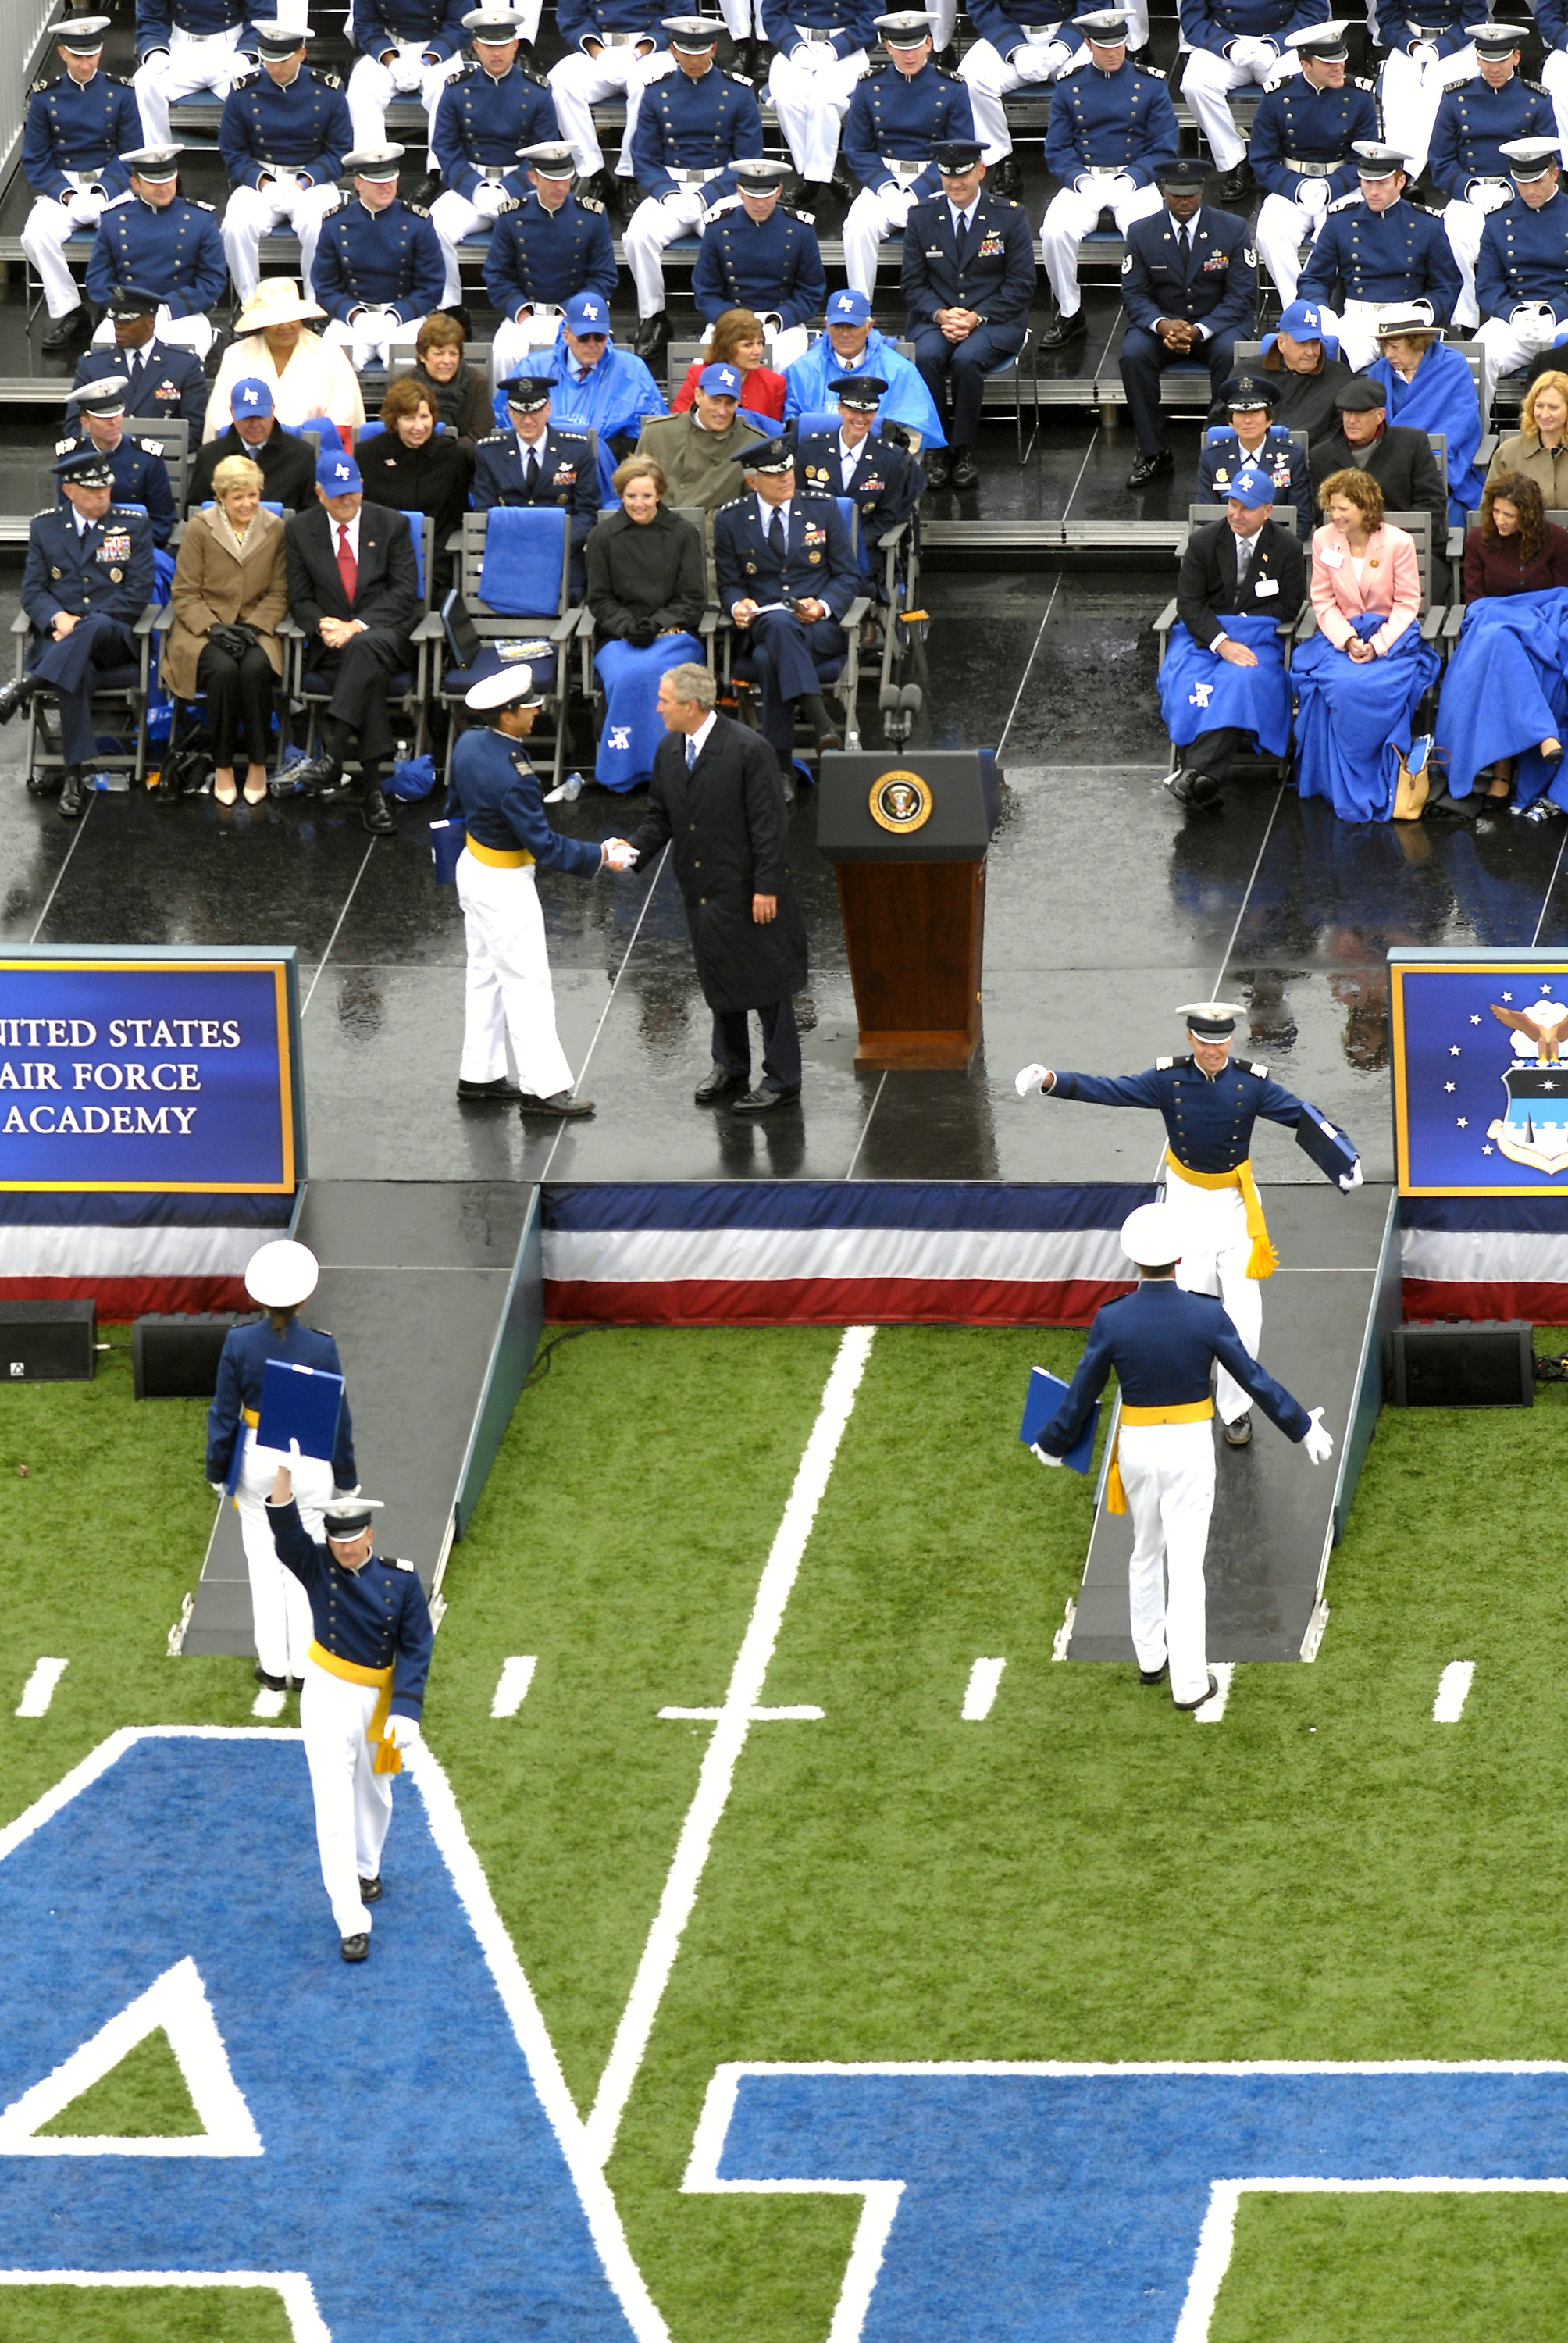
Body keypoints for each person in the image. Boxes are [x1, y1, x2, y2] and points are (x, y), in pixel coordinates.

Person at [1025, 1200, 1331, 1712]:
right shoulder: (1207, 1314)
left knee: (1145, 1551)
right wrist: (1300, 1427)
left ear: (1134, 1259)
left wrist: (1054, 1442)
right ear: (1181, 1258)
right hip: (1190, 1444)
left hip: (1138, 1446)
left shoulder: (1113, 1319)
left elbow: (1082, 1393)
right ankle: (1189, 1684)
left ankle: (1150, 1659)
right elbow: (1253, 1379)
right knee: (1187, 1567)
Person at [1014, 998, 1362, 1443]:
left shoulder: (1251, 1083)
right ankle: (1193, 1396)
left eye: (1220, 1042)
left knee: (1246, 1319)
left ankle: (1234, 1409)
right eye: (1203, 1042)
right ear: (1190, 1038)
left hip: (1236, 1209)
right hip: (1186, 1208)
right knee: (1191, 1312)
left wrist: (1344, 1158)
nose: (1212, 1051)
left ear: (1231, 1039)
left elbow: (1300, 1115)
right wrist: (1051, 1080)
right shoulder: (1168, 1080)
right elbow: (1111, 1090)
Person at [606, 660, 809, 1111]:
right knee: (720, 974)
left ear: (691, 705)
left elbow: (769, 826)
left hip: (748, 890)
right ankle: (730, 1065)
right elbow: (660, 816)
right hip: (702, 889)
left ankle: (782, 1078)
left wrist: (766, 888)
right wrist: (633, 850)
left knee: (769, 982)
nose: (658, 709)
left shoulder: (747, 750)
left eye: (664, 701)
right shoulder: (669, 751)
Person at [265, 1467, 433, 1963]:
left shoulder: (401, 1580)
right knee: (333, 1809)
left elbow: (417, 1645)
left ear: (370, 1536)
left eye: (352, 1539)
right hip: (326, 1694)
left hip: (376, 1699)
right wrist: (284, 1471)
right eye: (336, 1540)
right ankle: (351, 1918)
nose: (343, 1548)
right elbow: (286, 1530)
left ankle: (367, 1866)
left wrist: (407, 1707)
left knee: (375, 1794)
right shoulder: (316, 1566)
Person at [446, 664, 617, 1115]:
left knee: (484, 976)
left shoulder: (467, 743)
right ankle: (543, 1089)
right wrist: (600, 855)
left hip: (472, 867)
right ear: (506, 716)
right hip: (504, 885)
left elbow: (454, 807)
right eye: (529, 707)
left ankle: (479, 1076)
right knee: (528, 985)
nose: (537, 711)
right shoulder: (516, 778)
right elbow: (545, 847)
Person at [205, 1238, 355, 1693]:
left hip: (255, 1463)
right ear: (304, 1297)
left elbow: (223, 1412)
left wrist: (217, 1470)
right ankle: (309, 1669)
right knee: (307, 1564)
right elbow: (336, 1419)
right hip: (307, 1464)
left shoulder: (238, 1343)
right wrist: (347, 1478)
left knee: (263, 1564)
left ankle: (274, 1667)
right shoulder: (322, 1348)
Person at [0, 448, 154, 822]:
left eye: (107, 490)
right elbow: (34, 592)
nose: (104, 497)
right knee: (76, 675)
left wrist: (77, 625)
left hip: (113, 637)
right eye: (93, 493)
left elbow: (138, 593)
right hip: (63, 644)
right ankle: (74, 779)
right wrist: (55, 619)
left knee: (96, 626)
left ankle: (22, 687)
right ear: (69, 491)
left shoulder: (132, 525)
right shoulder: (45, 527)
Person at [284, 448, 420, 836]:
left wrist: (356, 626)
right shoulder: (299, 530)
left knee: (363, 651)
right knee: (366, 676)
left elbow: (404, 592)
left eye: (353, 489)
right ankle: (373, 793)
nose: (347, 499)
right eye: (338, 491)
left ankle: (334, 754)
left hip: (386, 636)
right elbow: (299, 598)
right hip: (333, 646)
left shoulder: (390, 524)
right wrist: (326, 625)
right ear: (319, 492)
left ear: (362, 485)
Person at [1294, 465, 1441, 822]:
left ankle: (1384, 776)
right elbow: (1323, 600)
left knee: (1377, 686)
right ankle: (1344, 782)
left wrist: (1376, 645)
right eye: (1332, 507)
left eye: (1344, 508)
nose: (1336, 515)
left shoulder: (1398, 542)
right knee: (1340, 686)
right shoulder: (1323, 539)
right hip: (1341, 635)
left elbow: (1408, 603)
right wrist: (1346, 640)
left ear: (1365, 507)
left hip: (1390, 636)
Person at [1160, 462, 1306, 808]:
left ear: (1268, 511)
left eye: (1246, 508)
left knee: (1242, 680)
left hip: (1259, 638)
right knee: (1188, 680)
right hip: (1205, 635)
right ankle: (1201, 777)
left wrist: (1244, 627)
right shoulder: (1203, 542)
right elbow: (1190, 604)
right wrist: (1222, 642)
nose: (1236, 514)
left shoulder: (1286, 547)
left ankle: (1194, 773)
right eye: (1232, 505)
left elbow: (1289, 604)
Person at [623, 16, 764, 361]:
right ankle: (653, 316)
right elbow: (643, 157)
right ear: (673, 50)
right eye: (687, 51)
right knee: (636, 237)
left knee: (731, 235)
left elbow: (748, 158)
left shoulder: (737, 91)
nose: (695, 59)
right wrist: (669, 193)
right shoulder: (657, 92)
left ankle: (730, 317)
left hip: (719, 187)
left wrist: (706, 195)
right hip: (671, 187)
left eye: (702, 51)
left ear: (714, 48)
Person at [1037, 9, 1178, 353]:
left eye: (1119, 44)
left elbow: (1164, 146)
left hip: (1134, 180)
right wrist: (1079, 179)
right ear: (1088, 44)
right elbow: (1057, 148)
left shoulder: (1150, 84)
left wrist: (1132, 179)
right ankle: (1069, 312)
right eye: (1104, 46)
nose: (1113, 52)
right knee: (1054, 232)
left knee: (1149, 233)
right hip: (1085, 178)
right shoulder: (1070, 86)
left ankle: (1150, 312)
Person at [900, 138, 1034, 493]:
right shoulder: (921, 216)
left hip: (995, 320)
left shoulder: (1010, 215)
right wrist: (942, 314)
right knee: (925, 356)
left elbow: (1021, 284)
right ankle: (936, 447)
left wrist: (977, 317)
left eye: (963, 175)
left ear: (980, 171)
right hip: (937, 318)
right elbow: (913, 284)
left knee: (967, 359)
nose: (955, 184)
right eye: (947, 175)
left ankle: (963, 448)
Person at [713, 436, 861, 756]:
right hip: (763, 623)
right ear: (753, 481)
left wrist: (822, 607)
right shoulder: (730, 520)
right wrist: (739, 605)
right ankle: (823, 726)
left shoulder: (822, 509)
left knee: (768, 658)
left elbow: (848, 575)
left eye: (789, 469)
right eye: (774, 473)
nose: (786, 477)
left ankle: (780, 766)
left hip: (818, 631)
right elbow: (729, 584)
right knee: (778, 624)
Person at [1119, 155, 1255, 492]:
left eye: (1191, 194)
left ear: (1202, 190)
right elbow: (1134, 294)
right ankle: (1153, 451)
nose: (1184, 202)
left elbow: (1241, 296)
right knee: (1133, 355)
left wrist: (1199, 330)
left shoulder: (1233, 229)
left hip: (1216, 325)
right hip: (1163, 327)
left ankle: (1225, 447)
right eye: (1177, 194)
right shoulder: (1141, 232)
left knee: (1231, 353)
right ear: (1163, 190)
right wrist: (1162, 325)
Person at [1438, 470, 1568, 811]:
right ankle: (1541, 736)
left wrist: (1523, 620)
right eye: (1495, 512)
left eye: (1509, 515)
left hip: (1540, 631)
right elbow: (1476, 603)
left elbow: (1560, 599)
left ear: (1528, 515)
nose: (1500, 520)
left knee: (1510, 646)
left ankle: (1503, 769)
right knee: (1501, 638)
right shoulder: (1478, 540)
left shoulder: (1556, 540)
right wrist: (1509, 619)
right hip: (1488, 630)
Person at [166, 452, 288, 804]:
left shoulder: (275, 528)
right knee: (222, 671)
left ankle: (257, 764)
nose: (247, 503)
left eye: (253, 495)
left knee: (253, 669)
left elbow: (280, 592)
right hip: (204, 630)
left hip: (255, 628)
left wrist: (256, 626)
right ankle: (221, 765)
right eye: (238, 497)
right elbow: (185, 592)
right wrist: (212, 627)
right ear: (221, 498)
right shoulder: (199, 529)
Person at [22, 15, 144, 355]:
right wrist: (69, 195)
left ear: (101, 50)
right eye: (78, 56)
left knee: (131, 230)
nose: (86, 62)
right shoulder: (46, 98)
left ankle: (115, 306)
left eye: (91, 54)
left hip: (109, 184)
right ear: (62, 54)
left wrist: (105, 191)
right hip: (64, 188)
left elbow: (132, 152)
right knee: (35, 235)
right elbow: (36, 160)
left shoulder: (121, 93)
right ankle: (71, 313)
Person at [586, 456, 707, 788]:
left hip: (673, 634)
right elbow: (597, 598)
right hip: (620, 637)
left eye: (646, 496)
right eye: (630, 496)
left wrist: (657, 623)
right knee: (627, 677)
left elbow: (694, 597)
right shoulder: (602, 537)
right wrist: (627, 625)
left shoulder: (682, 533)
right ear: (621, 496)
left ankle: (670, 769)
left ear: (660, 495)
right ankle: (624, 770)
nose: (638, 504)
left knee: (662, 679)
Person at [839, 12, 976, 302]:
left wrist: (917, 192)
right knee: (857, 226)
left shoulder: (952, 87)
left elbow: (958, 149)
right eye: (901, 48)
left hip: (937, 180)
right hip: (884, 179)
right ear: (887, 47)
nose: (909, 55)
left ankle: (950, 307)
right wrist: (887, 189)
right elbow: (857, 148)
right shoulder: (869, 86)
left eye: (915, 46)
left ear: (928, 44)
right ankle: (860, 310)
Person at [432, 9, 561, 304]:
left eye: (503, 45)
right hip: (472, 185)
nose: (497, 53)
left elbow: (543, 153)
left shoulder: (536, 90)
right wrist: (475, 188)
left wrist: (509, 189)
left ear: (515, 45)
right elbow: (445, 148)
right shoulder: (457, 88)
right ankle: (450, 309)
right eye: (489, 46)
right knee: (435, 227)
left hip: (522, 186)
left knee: (548, 232)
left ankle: (535, 308)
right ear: (476, 46)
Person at [1428, 21, 1552, 330]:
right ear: (1478, 59)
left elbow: (1551, 159)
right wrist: (1469, 189)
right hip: (1471, 192)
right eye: (1488, 60)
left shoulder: (1535, 100)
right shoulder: (1456, 97)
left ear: (1516, 57)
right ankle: (1465, 322)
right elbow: (1440, 160)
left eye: (1501, 60)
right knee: (1452, 236)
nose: (1494, 68)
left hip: (1521, 192)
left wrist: (1512, 188)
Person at [1296, 140, 1463, 367]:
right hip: (1357, 319)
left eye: (1382, 183)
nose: (1373, 192)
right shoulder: (1341, 221)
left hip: (1407, 320)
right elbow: (1313, 278)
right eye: (1367, 182)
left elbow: (1448, 284)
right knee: (1333, 365)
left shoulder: (1426, 224)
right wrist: (1322, 311)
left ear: (1400, 181)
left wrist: (1425, 310)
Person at [218, 24, 352, 305]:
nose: (274, 67)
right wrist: (264, 183)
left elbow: (339, 150)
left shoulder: (327, 90)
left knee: (320, 225)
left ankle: (317, 305)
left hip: (311, 180)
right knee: (235, 226)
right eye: (268, 59)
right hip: (261, 179)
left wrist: (303, 182)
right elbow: (233, 152)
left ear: (301, 54)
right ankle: (249, 304)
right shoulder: (244, 91)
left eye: (282, 60)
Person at [1249, 21, 1379, 307]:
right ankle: (1298, 308)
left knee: (1337, 237)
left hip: (1343, 185)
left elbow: (1366, 158)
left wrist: (1331, 187)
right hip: (1293, 185)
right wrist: (1298, 187)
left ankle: (1319, 306)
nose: (1338, 69)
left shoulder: (1359, 96)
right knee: (1270, 235)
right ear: (1304, 64)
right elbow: (1262, 160)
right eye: (1328, 64)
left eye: (1341, 61)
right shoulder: (1278, 96)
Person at [484, 140, 618, 382]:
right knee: (504, 353)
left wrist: (567, 312)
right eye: (552, 180)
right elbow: (496, 275)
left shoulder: (591, 216)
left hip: (572, 313)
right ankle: (507, 418)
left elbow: (603, 277)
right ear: (533, 178)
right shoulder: (512, 216)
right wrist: (523, 314)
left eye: (565, 179)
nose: (561, 187)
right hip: (524, 314)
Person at [310, 143, 446, 369]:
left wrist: (396, 316)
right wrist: (355, 315)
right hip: (353, 318)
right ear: (358, 183)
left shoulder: (416, 222)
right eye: (377, 182)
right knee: (329, 367)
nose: (386, 187)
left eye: (391, 179)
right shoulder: (336, 223)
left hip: (403, 319)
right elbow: (324, 286)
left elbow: (431, 286)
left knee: (409, 366)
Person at [85, 144, 226, 362]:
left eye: (168, 180)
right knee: (104, 357)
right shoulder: (114, 220)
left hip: (181, 314)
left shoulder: (200, 219)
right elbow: (97, 279)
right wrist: (128, 308)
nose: (163, 188)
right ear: (135, 183)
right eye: (153, 183)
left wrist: (169, 309)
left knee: (181, 363)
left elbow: (212, 281)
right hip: (127, 314)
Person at [691, 158, 828, 371]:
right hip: (731, 319)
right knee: (706, 370)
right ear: (739, 190)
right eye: (753, 197)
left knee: (790, 369)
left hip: (781, 324)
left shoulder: (800, 229)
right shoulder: (719, 228)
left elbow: (811, 290)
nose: (760, 205)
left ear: (779, 191)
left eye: (766, 196)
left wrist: (777, 322)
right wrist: (733, 322)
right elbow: (705, 291)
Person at [1307, 375, 1449, 577]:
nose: (1351, 421)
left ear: (1380, 415)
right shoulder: (1321, 455)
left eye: (1360, 414)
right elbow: (1321, 514)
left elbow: (1432, 503)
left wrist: (1387, 540)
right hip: (1346, 551)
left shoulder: (1412, 444)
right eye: (1347, 413)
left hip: (1406, 546)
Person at [533, 289, 668, 500]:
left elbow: (654, 434)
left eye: (599, 337)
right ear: (566, 336)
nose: (592, 344)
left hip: (608, 473)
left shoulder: (632, 369)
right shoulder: (533, 368)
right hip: (542, 469)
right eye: (584, 337)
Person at [1177, 0, 1314, 205]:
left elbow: (1314, 12)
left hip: (1283, 42)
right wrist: (1228, 46)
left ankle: (1279, 162)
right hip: (1228, 42)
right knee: (1195, 85)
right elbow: (1193, 19)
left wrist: (1275, 45)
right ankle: (1234, 161)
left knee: (1302, 83)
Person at [472, 375, 600, 596]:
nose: (528, 421)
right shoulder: (489, 453)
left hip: (562, 555)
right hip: (510, 554)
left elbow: (588, 512)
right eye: (520, 413)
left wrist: (551, 542)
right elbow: (484, 511)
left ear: (548, 409)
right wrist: (524, 545)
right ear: (510, 413)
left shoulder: (576, 450)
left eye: (535, 412)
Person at [784, 284, 945, 450]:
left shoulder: (899, 370)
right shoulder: (802, 370)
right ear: (826, 326)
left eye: (852, 326)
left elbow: (915, 431)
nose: (845, 334)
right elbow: (788, 428)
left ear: (869, 327)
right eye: (838, 326)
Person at [205, 277, 365, 441]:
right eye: (276, 321)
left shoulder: (330, 354)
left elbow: (343, 415)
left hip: (314, 453)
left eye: (291, 319)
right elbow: (219, 417)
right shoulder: (237, 355)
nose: (285, 327)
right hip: (247, 452)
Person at [1366, 306, 1484, 525]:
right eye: (1384, 347)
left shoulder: (1452, 366)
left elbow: (1462, 422)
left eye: (1394, 346)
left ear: (1416, 341)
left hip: (1439, 465)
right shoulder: (1379, 372)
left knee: (1446, 508)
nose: (1388, 354)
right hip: (1389, 468)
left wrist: (1424, 462)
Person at [546, 0, 675, 198]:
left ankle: (629, 177)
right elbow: (572, 17)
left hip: (651, 50)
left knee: (650, 86)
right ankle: (595, 174)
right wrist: (599, 53)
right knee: (559, 84)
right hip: (598, 48)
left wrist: (640, 51)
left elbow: (677, 14)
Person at [1474, 137, 1568, 405]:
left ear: (1554, 174)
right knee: (1475, 358)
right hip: (1518, 317)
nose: (1529, 191)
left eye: (1537, 181)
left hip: (1562, 315)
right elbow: (1488, 286)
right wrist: (1513, 313)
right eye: (1522, 182)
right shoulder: (1498, 221)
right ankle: (1476, 437)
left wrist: (1554, 312)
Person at [357, 375, 472, 589]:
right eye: (409, 418)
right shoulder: (367, 455)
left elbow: (458, 514)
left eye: (424, 417)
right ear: (394, 420)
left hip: (434, 558)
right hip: (379, 556)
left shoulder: (454, 457)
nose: (419, 426)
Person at [761, 0, 880, 202]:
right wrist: (794, 46)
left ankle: (811, 183)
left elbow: (871, 18)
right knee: (786, 100)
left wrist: (835, 48)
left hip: (844, 49)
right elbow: (772, 13)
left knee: (824, 102)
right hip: (797, 44)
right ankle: (827, 174)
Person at [794, 374, 927, 547]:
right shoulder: (811, 448)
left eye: (868, 412)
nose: (861, 419)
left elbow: (887, 516)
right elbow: (797, 501)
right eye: (854, 410)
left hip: (863, 549)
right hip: (814, 546)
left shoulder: (891, 458)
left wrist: (853, 545)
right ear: (840, 408)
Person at [960, 0, 1080, 180]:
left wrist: (1063, 47)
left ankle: (1086, 160)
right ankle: (1000, 162)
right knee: (971, 80)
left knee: (1099, 76)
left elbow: (1095, 4)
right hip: (1011, 32)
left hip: (1068, 34)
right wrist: (1017, 49)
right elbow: (981, 6)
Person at [55, 375, 177, 548]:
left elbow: (163, 519)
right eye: (104, 418)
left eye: (117, 415)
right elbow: (66, 514)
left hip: (136, 547)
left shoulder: (146, 456)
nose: (113, 423)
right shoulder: (72, 456)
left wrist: (129, 547)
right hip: (85, 547)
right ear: (86, 422)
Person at [74, 283, 208, 437]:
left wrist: (146, 453)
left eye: (126, 322)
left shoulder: (184, 365)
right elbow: (75, 426)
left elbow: (195, 428)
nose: (118, 327)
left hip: (163, 457)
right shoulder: (92, 365)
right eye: (115, 321)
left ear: (150, 321)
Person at [636, 359, 775, 508]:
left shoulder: (752, 443)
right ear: (698, 396)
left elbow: (754, 505)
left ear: (737, 404)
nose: (722, 411)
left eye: (729, 402)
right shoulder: (658, 433)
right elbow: (633, 486)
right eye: (715, 400)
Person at [1376, 0, 1490, 178]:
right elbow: (1387, 17)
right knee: (1397, 96)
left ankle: (1415, 174)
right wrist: (1412, 46)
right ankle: (1399, 172)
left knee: (1437, 93)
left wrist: (1439, 49)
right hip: (1410, 41)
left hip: (1457, 41)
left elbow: (1474, 16)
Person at [347, 0, 471, 154]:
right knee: (361, 84)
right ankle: (372, 168)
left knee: (447, 89)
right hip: (390, 47)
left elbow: (460, 25)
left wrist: (424, 63)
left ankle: (440, 170)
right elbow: (365, 25)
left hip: (439, 49)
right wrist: (392, 63)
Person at [132, 0, 259, 149]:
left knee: (258, 86)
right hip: (181, 48)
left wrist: (246, 54)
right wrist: (155, 50)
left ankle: (250, 164)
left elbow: (260, 18)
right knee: (144, 82)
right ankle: (156, 159)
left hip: (232, 48)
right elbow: (150, 18)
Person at [1196, 371, 1313, 531]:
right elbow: (1207, 517)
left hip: (1277, 548)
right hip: (1226, 548)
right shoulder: (1213, 456)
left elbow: (1301, 520)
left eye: (1255, 412)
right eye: (1241, 413)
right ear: (1231, 421)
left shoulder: (1292, 456)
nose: (1248, 420)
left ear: (1269, 419)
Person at [190, 373, 319, 511]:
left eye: (260, 417)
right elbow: (195, 509)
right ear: (232, 413)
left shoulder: (301, 455)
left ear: (273, 410)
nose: (254, 425)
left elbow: (312, 513)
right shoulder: (209, 456)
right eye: (247, 418)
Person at [1256, 296, 1356, 444]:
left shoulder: (1340, 378)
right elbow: (1219, 424)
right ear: (1281, 343)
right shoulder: (1249, 374)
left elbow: (1341, 434)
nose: (1310, 352)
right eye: (1302, 343)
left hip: (1316, 462)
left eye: (1315, 343)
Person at [397, 309, 497, 448]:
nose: (447, 361)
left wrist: (447, 454)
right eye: (439, 354)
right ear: (422, 355)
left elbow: (480, 434)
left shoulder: (476, 382)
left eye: (453, 354)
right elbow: (395, 429)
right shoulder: (403, 383)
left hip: (462, 460)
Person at [671, 306, 787, 419]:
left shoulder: (774, 383)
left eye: (760, 343)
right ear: (727, 346)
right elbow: (680, 421)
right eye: (748, 345)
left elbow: (776, 433)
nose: (758, 351)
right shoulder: (699, 376)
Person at [1487, 363, 1568, 499]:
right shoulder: (1507, 453)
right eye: (1539, 406)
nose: (1544, 414)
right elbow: (1489, 508)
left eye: (1553, 408)